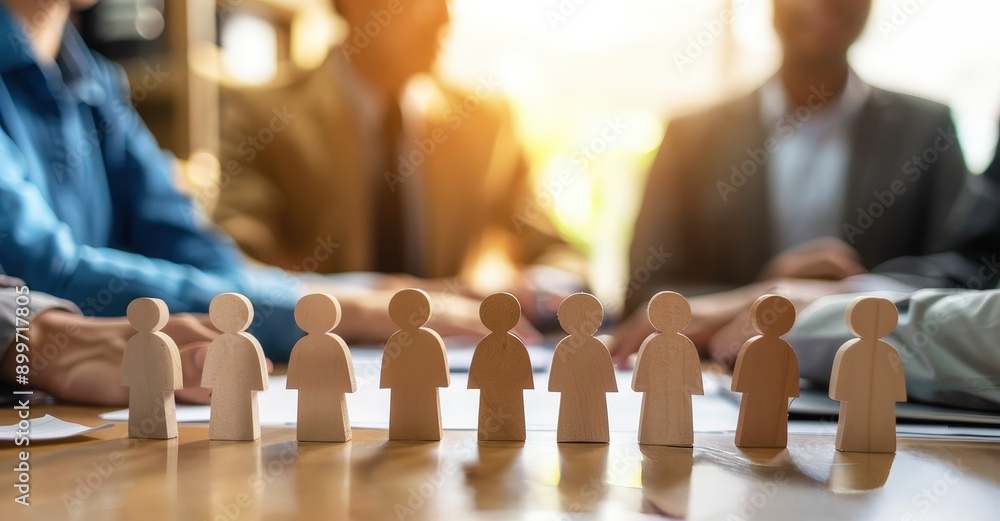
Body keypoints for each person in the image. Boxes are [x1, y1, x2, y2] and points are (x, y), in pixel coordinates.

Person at [0, 0, 534, 379]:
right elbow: (39, 271)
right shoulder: (264, 112)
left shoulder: (95, 81)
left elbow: (194, 248)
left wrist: (359, 294)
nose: (445, 18)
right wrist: (329, 310)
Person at [612, 0, 967, 363]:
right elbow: (644, 294)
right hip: (724, 373)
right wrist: (761, 294)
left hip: (874, 375)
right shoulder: (690, 137)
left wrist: (842, 295)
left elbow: (966, 280)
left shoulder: (927, 131)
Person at [214, 0, 583, 325]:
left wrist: (532, 290)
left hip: (453, 358)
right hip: (323, 359)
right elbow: (231, 269)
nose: (445, 19)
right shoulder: (262, 118)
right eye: (423, 2)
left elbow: (559, 257)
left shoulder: (486, 122)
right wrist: (373, 302)